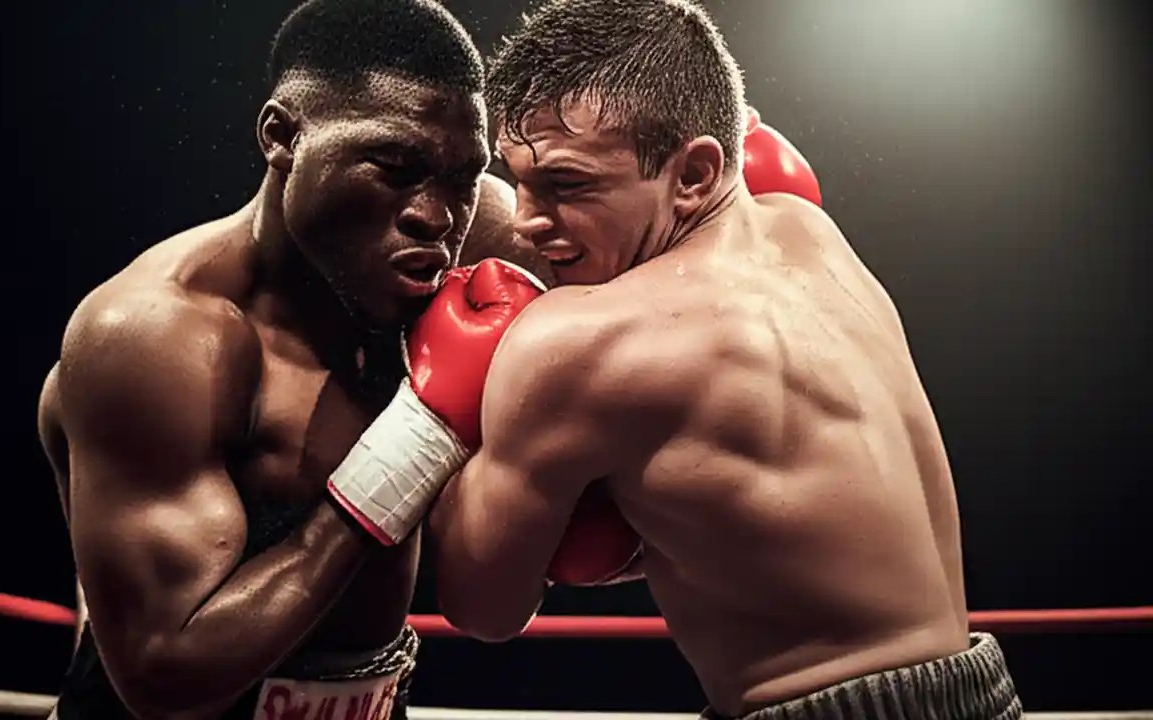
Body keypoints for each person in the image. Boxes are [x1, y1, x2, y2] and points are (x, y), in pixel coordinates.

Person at [417, 1, 1024, 718]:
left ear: (697, 173)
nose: (526, 219)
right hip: (982, 694)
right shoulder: (810, 233)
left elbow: (482, 604)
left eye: (566, 185)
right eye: (518, 180)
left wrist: (427, 420)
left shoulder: (577, 345)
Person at [35, 1, 546, 717]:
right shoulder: (159, 337)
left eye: (462, 180)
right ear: (282, 136)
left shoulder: (464, 233)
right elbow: (165, 676)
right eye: (395, 167)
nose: (435, 216)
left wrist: (744, 210)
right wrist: (416, 443)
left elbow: (673, 292)